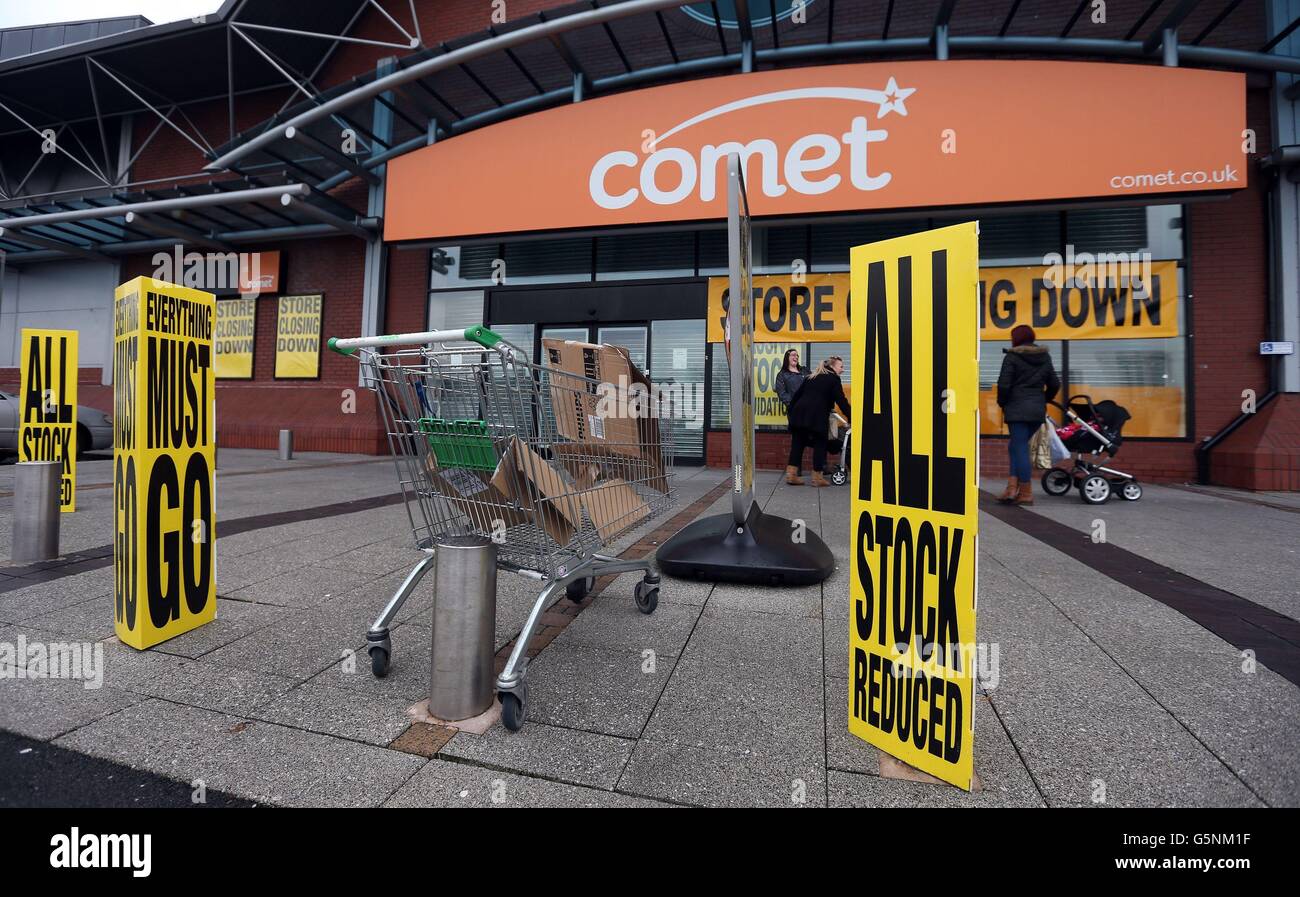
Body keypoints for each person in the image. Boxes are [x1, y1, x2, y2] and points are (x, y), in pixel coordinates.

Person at [996, 324, 1060, 506]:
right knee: (1016, 446)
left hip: (1017, 410)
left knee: (1020, 448)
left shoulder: (1012, 356)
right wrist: (1043, 399)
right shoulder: (1044, 356)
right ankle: (1011, 488)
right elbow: (1055, 383)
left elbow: (1003, 384)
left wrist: (1003, 402)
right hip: (1036, 410)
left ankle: (1025, 493)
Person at [786, 356, 851, 487]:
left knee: (798, 443)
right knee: (820, 444)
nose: (843, 370)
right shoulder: (833, 379)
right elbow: (841, 401)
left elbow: (796, 397)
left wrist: (792, 415)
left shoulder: (811, 377)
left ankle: (791, 475)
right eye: (841, 367)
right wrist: (852, 417)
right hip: (816, 416)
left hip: (799, 414)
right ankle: (817, 477)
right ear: (832, 367)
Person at [775, 348, 809, 483]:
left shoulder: (805, 371)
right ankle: (796, 469)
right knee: (798, 440)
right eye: (793, 355)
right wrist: (793, 405)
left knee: (819, 435)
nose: (796, 357)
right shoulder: (782, 375)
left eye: (797, 355)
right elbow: (781, 393)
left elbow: (814, 384)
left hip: (810, 410)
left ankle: (821, 466)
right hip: (795, 411)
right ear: (787, 357)